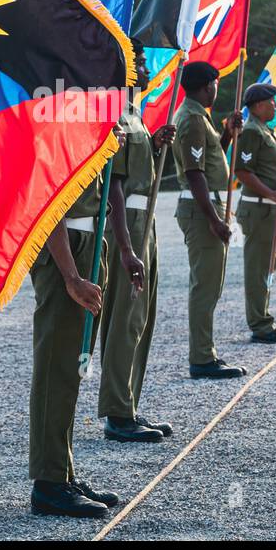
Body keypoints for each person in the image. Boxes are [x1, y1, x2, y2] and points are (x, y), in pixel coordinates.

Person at [28, 158, 124, 518]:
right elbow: (48, 201)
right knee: (57, 367)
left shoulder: (84, 114)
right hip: (64, 251)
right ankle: (49, 483)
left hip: (88, 242)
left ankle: (62, 471)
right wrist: (70, 276)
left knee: (71, 369)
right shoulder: (58, 114)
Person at [98, 43, 176, 444]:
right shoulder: (114, 112)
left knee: (140, 317)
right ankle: (116, 412)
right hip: (125, 225)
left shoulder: (134, 113)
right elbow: (113, 182)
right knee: (124, 318)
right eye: (140, 62)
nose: (147, 68)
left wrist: (156, 143)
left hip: (145, 218)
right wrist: (126, 248)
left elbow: (137, 169)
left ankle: (128, 403)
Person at [174, 61, 246, 379]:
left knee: (210, 285)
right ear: (208, 86)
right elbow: (194, 173)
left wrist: (228, 134)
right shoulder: (190, 118)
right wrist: (215, 220)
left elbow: (211, 157)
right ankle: (201, 358)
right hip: (200, 211)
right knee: (205, 287)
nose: (217, 89)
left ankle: (206, 352)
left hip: (206, 207)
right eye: (216, 83)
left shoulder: (198, 116)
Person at [233, 82, 276, 344]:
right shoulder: (251, 132)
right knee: (258, 267)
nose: (275, 105)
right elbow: (243, 171)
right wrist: (272, 194)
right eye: (271, 102)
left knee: (268, 264)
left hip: (271, 210)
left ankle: (264, 315)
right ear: (258, 105)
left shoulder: (266, 131)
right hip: (259, 210)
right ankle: (260, 323)